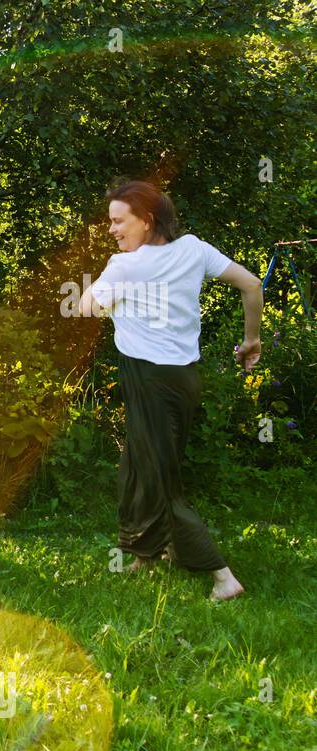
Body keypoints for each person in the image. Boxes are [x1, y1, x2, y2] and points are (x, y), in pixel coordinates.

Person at [81, 180, 262, 601]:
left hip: (148, 381)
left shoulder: (125, 266)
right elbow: (252, 285)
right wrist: (251, 340)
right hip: (183, 381)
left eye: (118, 221)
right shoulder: (194, 249)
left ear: (146, 220)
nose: (112, 230)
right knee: (140, 466)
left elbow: (86, 306)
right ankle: (148, 554)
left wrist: (111, 294)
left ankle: (222, 576)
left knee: (160, 478)